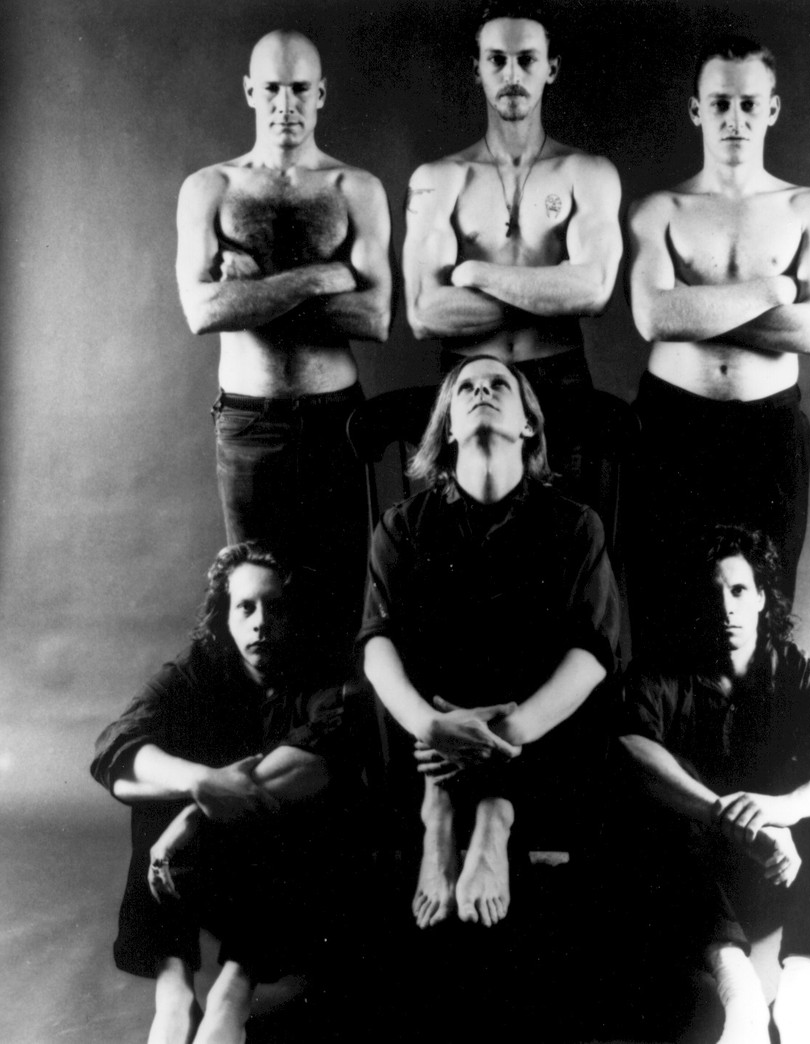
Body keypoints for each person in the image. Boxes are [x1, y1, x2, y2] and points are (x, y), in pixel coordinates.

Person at [618, 526, 810, 1044]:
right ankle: (741, 999)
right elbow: (629, 747)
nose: (726, 608)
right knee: (666, 782)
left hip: (782, 876)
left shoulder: (804, 675)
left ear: (761, 597)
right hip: (693, 889)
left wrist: (787, 808)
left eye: (739, 590)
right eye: (712, 593)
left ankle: (798, 1002)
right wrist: (731, 817)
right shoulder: (661, 676)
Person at [360, 355, 619, 931]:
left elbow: (594, 650)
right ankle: (439, 816)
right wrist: (430, 725)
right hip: (427, 739)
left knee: (552, 647)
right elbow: (375, 642)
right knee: (399, 645)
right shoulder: (402, 526)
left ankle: (495, 817)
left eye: (499, 384)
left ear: (528, 424)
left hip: (532, 737)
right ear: (449, 428)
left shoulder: (576, 525)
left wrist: (511, 731)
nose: (481, 390)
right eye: (466, 388)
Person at [91, 543, 363, 1044]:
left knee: (296, 806)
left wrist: (196, 811)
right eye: (246, 607)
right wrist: (197, 780)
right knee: (156, 790)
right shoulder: (201, 666)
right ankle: (174, 991)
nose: (260, 623)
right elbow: (116, 749)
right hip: (205, 867)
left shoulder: (321, 674)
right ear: (225, 615)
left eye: (275, 608)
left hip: (287, 878)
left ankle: (232, 993)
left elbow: (325, 757)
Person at [175, 29, 392, 652]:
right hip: (250, 423)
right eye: (271, 88)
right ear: (250, 91)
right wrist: (320, 277)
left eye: (300, 88)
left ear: (321, 93)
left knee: (343, 599)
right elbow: (202, 311)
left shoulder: (354, 189)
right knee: (257, 602)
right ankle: (271, 717)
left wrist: (251, 294)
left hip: (336, 419)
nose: (285, 104)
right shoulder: (211, 188)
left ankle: (334, 718)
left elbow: (375, 316)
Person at [627, 34, 810, 646]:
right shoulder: (659, 209)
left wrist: (694, 308)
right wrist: (770, 290)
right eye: (720, 104)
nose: (735, 119)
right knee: (662, 604)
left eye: (749, 104)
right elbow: (652, 318)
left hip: (767, 430)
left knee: (764, 615)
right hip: (671, 425)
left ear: (771, 109)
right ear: (696, 109)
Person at [402, 2, 622, 489]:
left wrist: (477, 275)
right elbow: (424, 313)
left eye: (527, 59)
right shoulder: (439, 179)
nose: (512, 74)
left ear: (551, 68)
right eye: (497, 60)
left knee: (566, 529)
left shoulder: (587, 173)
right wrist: (552, 294)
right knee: (466, 530)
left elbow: (593, 291)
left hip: (560, 382)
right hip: (468, 382)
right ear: (477, 69)